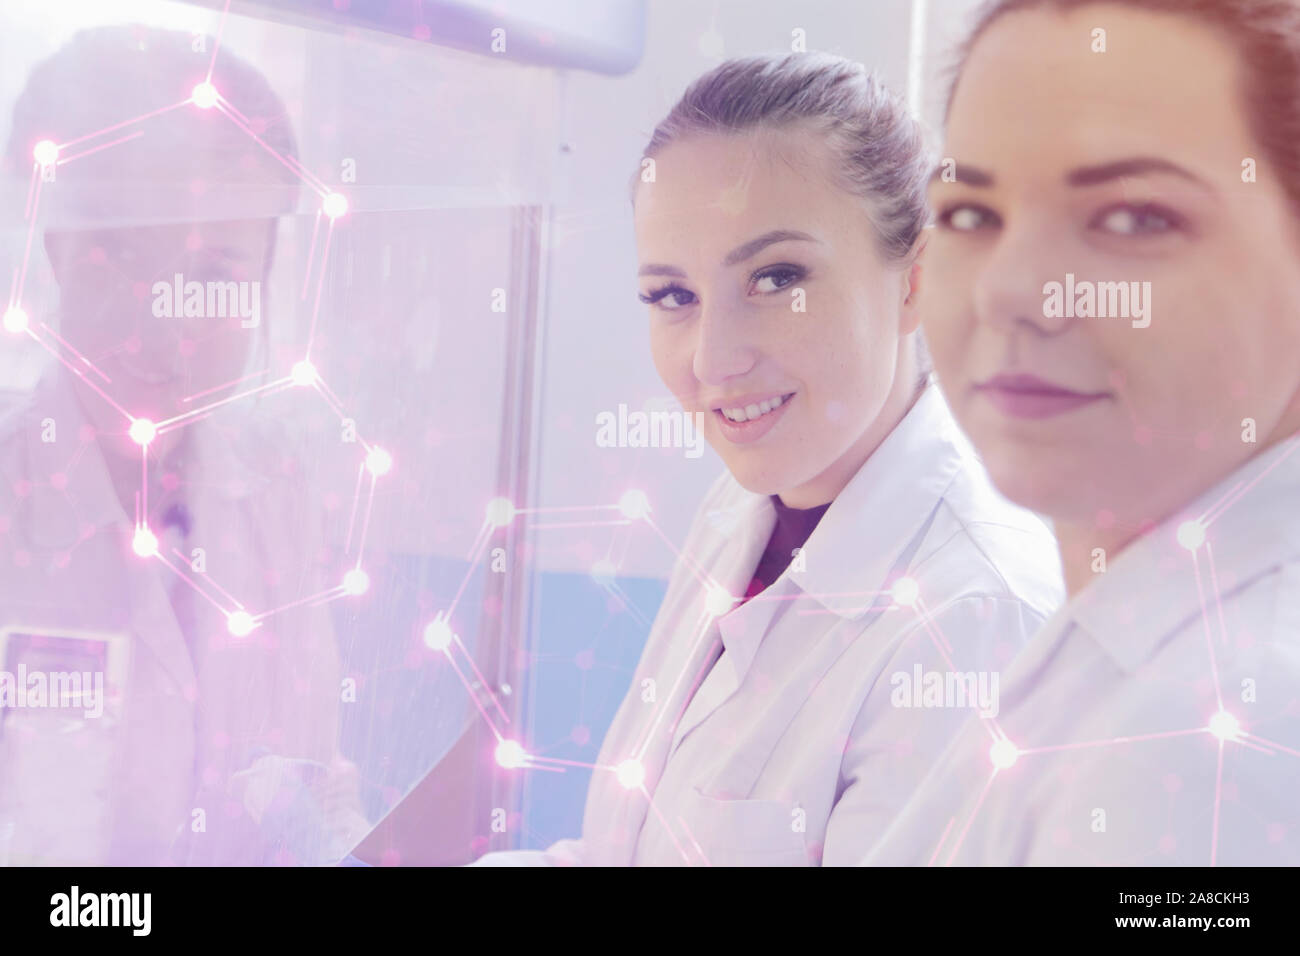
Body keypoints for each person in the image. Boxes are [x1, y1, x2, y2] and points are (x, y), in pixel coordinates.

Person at [472, 52, 1063, 866]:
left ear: (917, 282)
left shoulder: (974, 618)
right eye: (672, 296)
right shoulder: (745, 507)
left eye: (776, 277)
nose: (713, 361)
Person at [864, 0, 1300, 866]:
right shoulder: (1128, 648)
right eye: (969, 214)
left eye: (1136, 217)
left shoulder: (1207, 743)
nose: (1012, 291)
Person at [0, 25, 368, 865]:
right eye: (130, 260)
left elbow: (312, 787)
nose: (171, 328)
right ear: (59, 253)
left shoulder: (276, 486)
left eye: (216, 278)